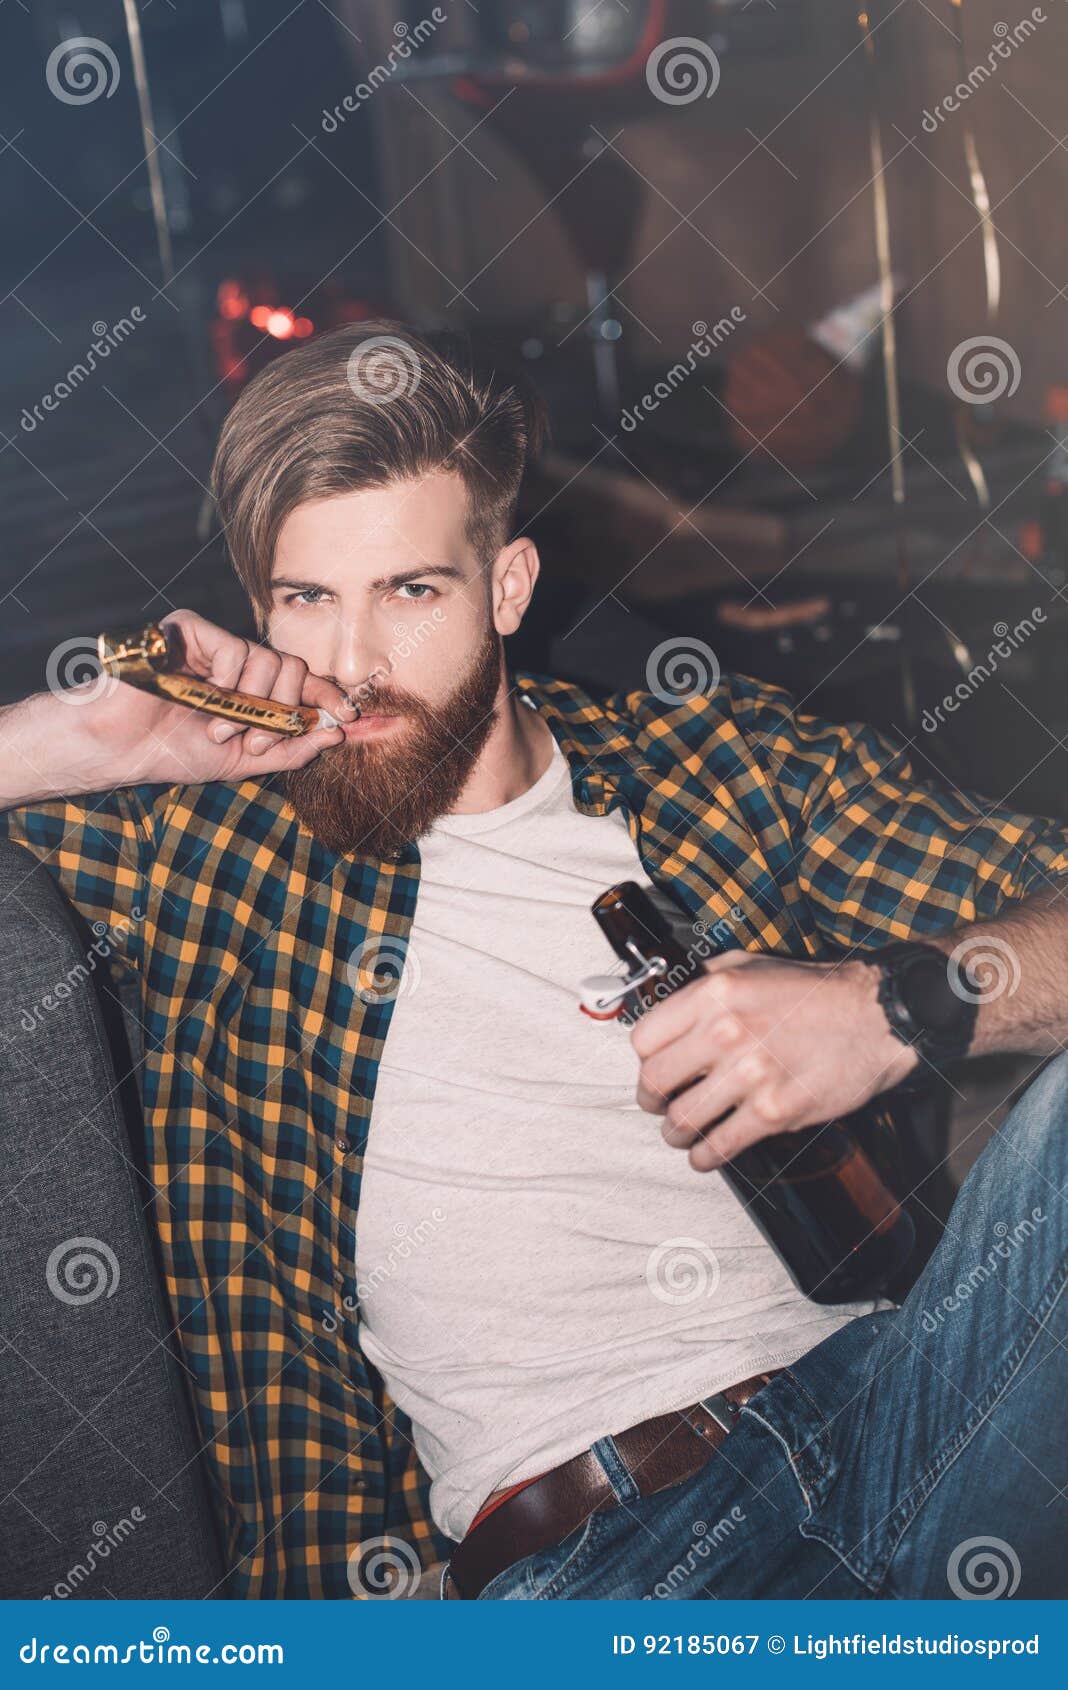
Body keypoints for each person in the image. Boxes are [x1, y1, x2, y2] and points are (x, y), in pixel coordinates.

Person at [1, 321, 1065, 1602]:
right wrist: (64, 740)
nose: (350, 662)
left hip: (904, 1409)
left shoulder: (721, 771)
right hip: (601, 1553)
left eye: (409, 592)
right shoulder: (212, 843)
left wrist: (895, 1007)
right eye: (307, 598)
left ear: (506, 587)